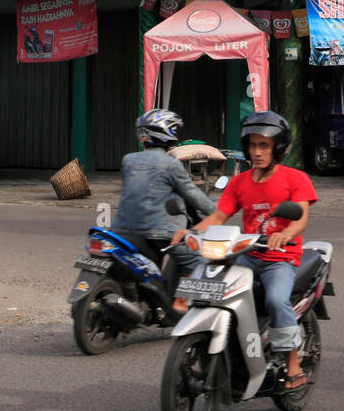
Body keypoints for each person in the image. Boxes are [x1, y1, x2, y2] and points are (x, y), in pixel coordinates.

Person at [178, 111, 317, 389]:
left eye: (264, 145)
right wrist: (191, 232)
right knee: (211, 281)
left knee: (276, 300)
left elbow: (300, 218)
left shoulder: (296, 178)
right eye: (252, 145)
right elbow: (219, 217)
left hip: (280, 258)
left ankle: (292, 363)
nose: (257, 152)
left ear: (278, 148)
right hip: (248, 256)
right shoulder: (240, 182)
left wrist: (285, 234)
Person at [113, 109, 217, 314]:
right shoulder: (171, 164)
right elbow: (192, 194)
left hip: (123, 230)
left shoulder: (128, 160)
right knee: (197, 262)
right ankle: (181, 304)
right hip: (159, 233)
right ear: (168, 133)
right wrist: (217, 211)